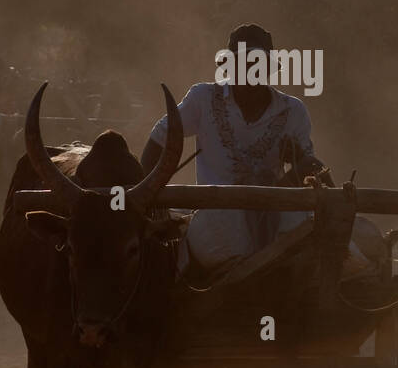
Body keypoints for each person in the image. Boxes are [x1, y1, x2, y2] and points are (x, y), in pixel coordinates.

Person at [141, 23, 371, 278]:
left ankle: (296, 274)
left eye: (258, 65)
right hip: (218, 219)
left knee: (309, 231)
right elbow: (160, 138)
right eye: (243, 64)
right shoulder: (203, 98)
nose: (250, 72)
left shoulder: (293, 111)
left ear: (270, 69)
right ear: (230, 68)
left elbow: (310, 172)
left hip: (276, 216)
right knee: (223, 227)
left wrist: (299, 163)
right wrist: (143, 196)